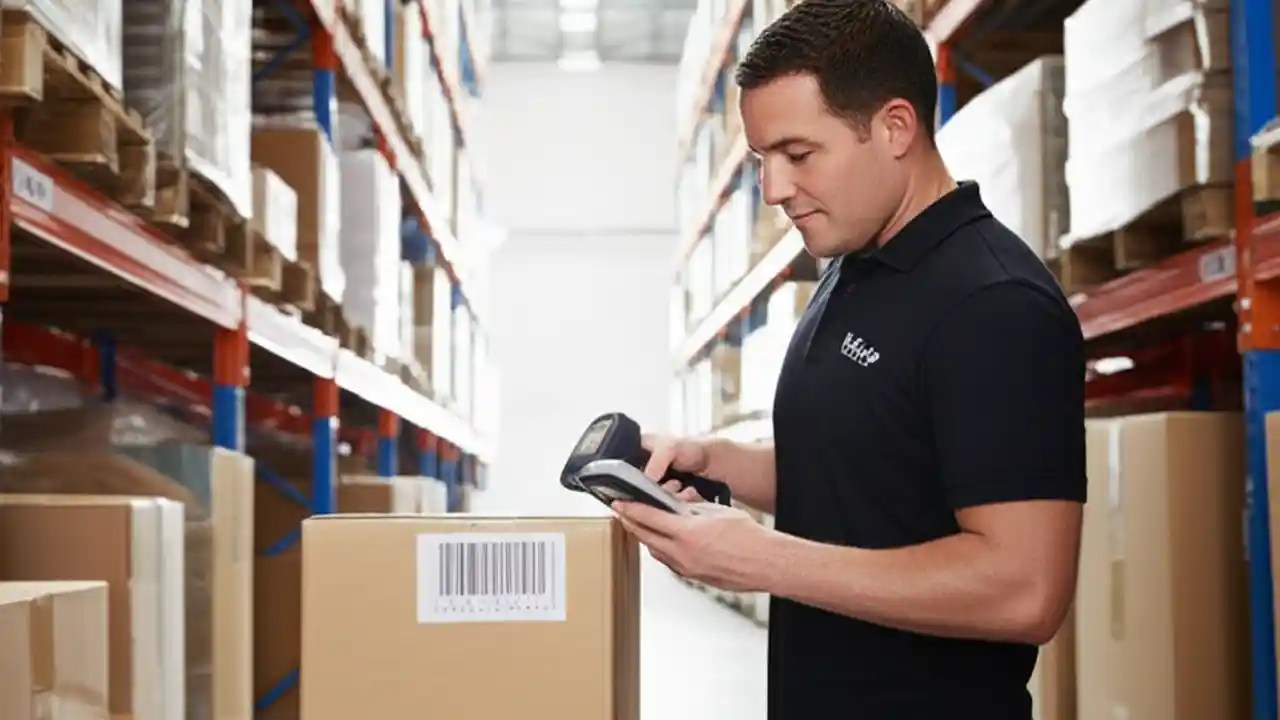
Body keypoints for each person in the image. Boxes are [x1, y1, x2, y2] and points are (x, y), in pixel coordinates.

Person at [610, 1, 1087, 718]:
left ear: (894, 127)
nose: (774, 189)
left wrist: (762, 559)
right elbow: (865, 463)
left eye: (798, 155)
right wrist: (716, 460)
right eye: (762, 159)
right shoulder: (854, 265)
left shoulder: (995, 305)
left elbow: (1024, 590)